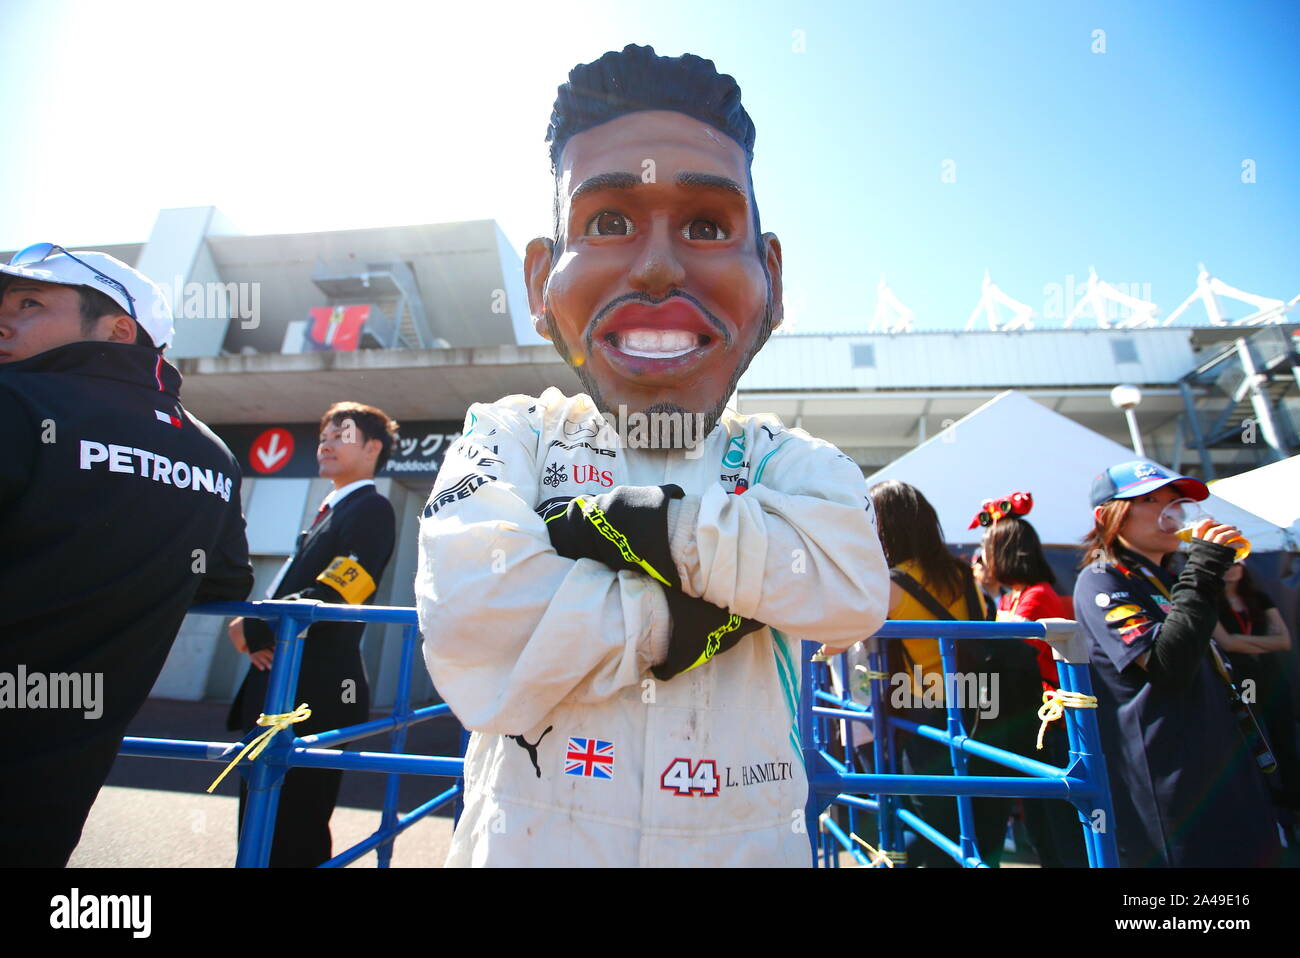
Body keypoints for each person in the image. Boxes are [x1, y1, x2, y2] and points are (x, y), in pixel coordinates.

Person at [415, 44, 890, 867]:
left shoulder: (791, 459)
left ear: (770, 279)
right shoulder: (508, 435)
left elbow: (852, 590)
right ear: (540, 282)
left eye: (708, 226)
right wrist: (717, 600)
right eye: (606, 223)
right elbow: (475, 625)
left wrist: (634, 531)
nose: (661, 264)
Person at [0, 245, 254, 866]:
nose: (4, 322)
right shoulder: (213, 455)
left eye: (30, 304)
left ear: (118, 329)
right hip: (50, 798)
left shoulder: (16, 403)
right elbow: (227, 580)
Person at [1073, 459, 1281, 867]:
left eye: (1176, 500)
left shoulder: (1165, 576)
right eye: (1149, 500)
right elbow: (1168, 667)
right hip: (1168, 775)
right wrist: (1204, 568)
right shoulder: (1102, 577)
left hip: (1218, 760)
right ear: (1107, 516)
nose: (1172, 511)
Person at [226, 401, 398, 867]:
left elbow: (341, 591)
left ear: (373, 448)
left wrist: (256, 623)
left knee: (294, 825)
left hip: (312, 695)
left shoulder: (372, 509)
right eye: (322, 436)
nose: (324, 444)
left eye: (339, 435)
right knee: (260, 823)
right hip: (283, 687)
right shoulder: (329, 512)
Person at [869, 480, 1040, 866]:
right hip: (984, 704)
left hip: (926, 711)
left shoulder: (889, 584)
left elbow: (842, 635)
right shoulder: (964, 575)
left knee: (932, 824)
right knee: (984, 819)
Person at [977, 492, 1088, 867]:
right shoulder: (1013, 598)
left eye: (988, 548)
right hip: (1031, 718)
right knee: (1041, 822)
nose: (984, 558)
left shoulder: (1037, 596)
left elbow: (1014, 651)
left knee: (1056, 824)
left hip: (1050, 723)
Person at [1214, 560, 1299, 841]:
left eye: (1238, 562)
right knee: (1253, 744)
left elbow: (1284, 641)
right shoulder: (1208, 601)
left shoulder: (1258, 598)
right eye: (1227, 562)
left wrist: (1243, 642)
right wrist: (1256, 643)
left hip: (1271, 679)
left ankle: (1293, 811)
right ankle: (1269, 816)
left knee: (1285, 741)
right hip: (1239, 681)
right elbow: (1226, 643)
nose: (1233, 567)